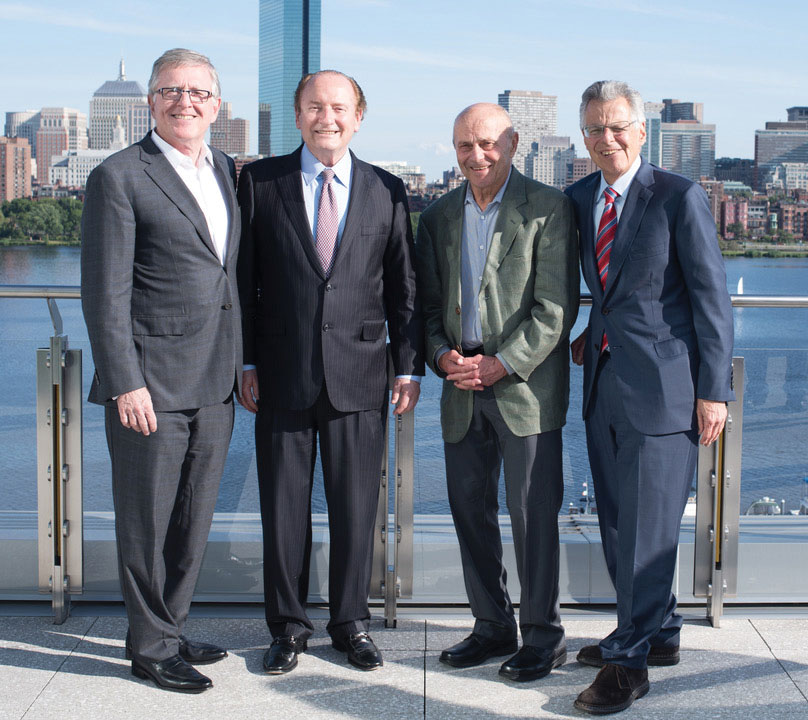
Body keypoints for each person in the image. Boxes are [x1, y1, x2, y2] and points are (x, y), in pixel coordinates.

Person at [236, 70, 423, 674]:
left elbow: (404, 288)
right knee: (283, 510)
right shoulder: (259, 182)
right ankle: (288, 628)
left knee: (355, 508)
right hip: (280, 373)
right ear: (298, 116)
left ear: (358, 117)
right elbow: (243, 281)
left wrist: (409, 367)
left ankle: (350, 624)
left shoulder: (387, 189)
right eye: (315, 107)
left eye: (339, 108)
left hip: (362, 374)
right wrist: (246, 360)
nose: (328, 118)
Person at [565, 80, 734, 715]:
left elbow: (711, 299)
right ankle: (658, 632)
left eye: (617, 127)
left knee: (648, 532)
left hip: (667, 391)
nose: (606, 138)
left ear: (641, 131)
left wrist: (714, 391)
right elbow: (608, 292)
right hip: (603, 380)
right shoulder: (579, 198)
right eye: (594, 129)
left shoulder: (678, 196)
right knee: (615, 522)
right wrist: (589, 334)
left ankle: (628, 664)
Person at [80, 48, 239, 694]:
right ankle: (149, 648)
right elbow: (104, 294)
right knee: (146, 524)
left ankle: (169, 629)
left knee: (192, 521)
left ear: (216, 106)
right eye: (171, 91)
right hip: (149, 384)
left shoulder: (224, 168)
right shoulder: (119, 176)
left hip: (216, 380)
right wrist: (125, 381)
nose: (185, 102)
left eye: (198, 92)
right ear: (150, 102)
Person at [416, 103, 579, 682]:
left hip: (525, 389)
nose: (476, 155)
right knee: (470, 513)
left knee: (532, 516)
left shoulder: (550, 208)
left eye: (487, 143)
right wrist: (442, 356)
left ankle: (543, 636)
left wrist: (501, 364)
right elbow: (427, 309)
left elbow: (555, 310)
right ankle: (491, 626)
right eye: (465, 145)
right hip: (460, 386)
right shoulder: (437, 216)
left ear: (512, 143)